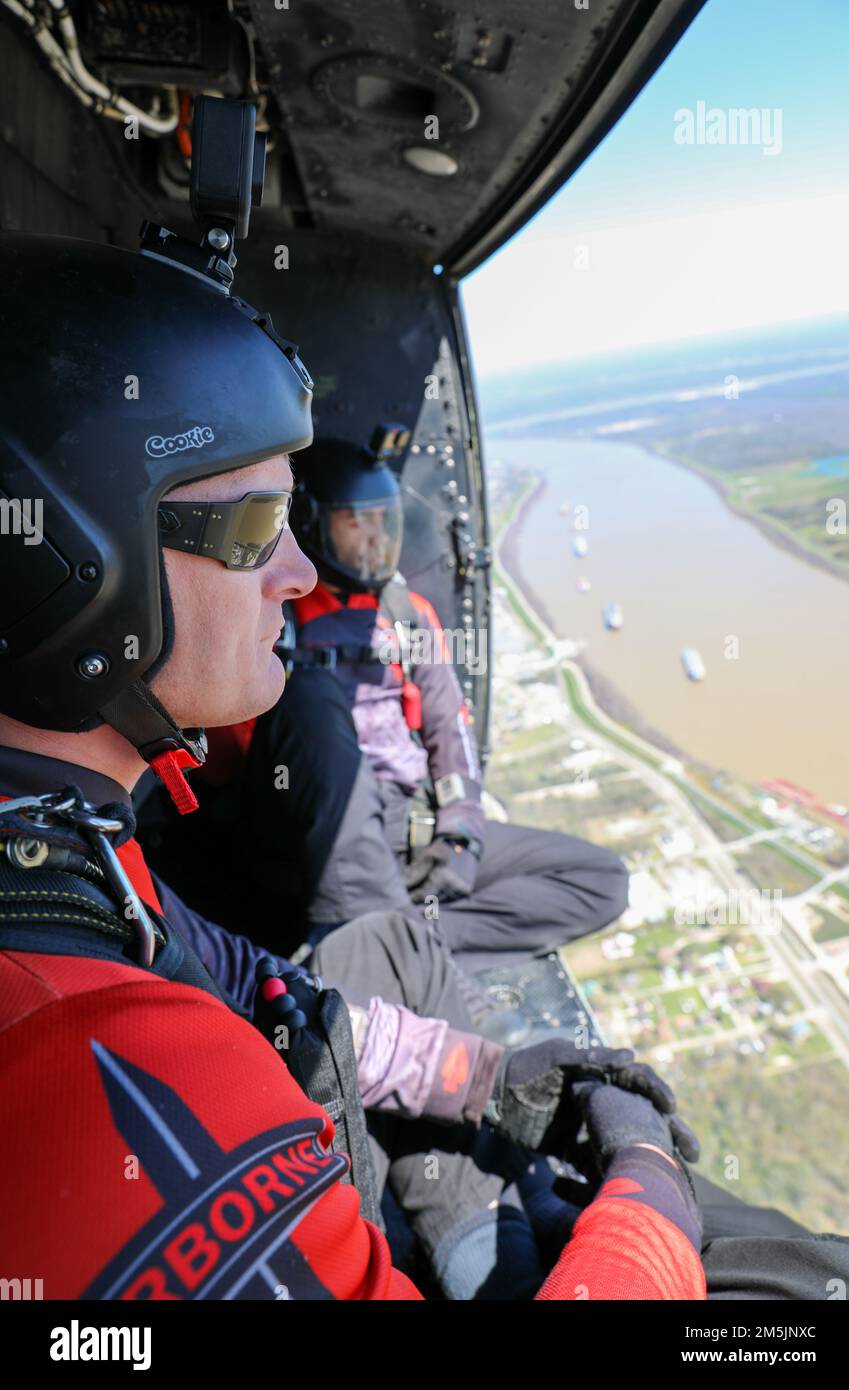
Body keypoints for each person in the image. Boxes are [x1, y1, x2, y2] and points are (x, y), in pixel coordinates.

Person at [0, 225, 709, 1301]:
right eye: (255, 524)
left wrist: (482, 1077)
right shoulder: (105, 1073)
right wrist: (651, 1196)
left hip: (401, 872)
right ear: (69, 558)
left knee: (396, 949)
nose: (295, 571)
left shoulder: (69, 857)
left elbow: (258, 984)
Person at [142, 433, 630, 975]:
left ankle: (403, 947)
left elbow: (450, 726)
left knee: (599, 880)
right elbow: (226, 764)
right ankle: (388, 946)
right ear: (313, 526)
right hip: (312, 836)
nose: (375, 540)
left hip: (413, 831)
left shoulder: (407, 611)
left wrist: (461, 831)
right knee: (311, 697)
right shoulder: (277, 620)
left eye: (382, 521)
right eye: (358, 524)